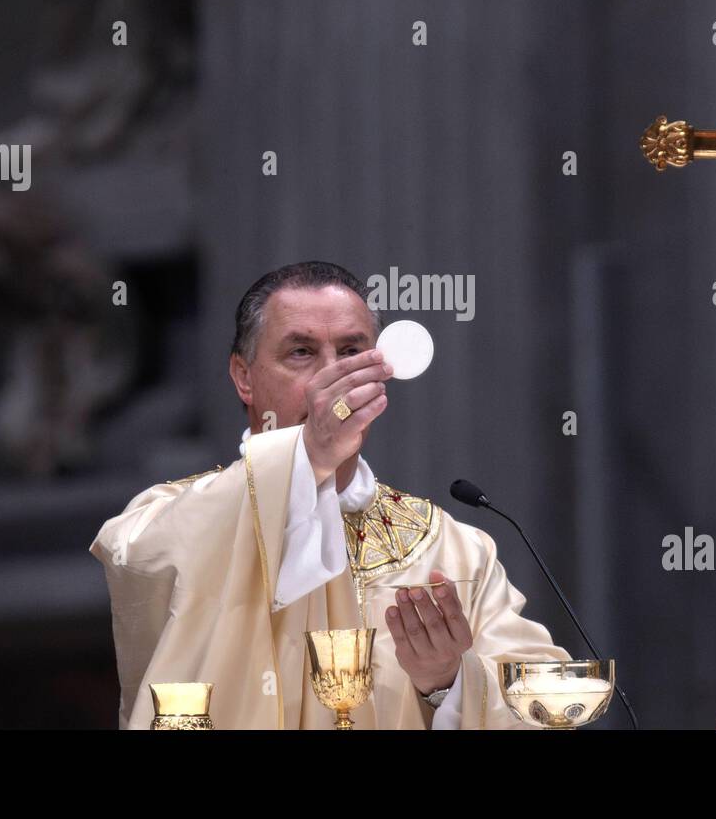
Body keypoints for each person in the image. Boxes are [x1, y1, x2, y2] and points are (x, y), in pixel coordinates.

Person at [90, 261, 569, 728]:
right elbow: (136, 563)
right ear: (244, 377)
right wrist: (304, 456)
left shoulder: (453, 551)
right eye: (301, 352)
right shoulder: (168, 517)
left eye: (350, 352)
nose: (331, 377)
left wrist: (447, 682)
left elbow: (541, 707)